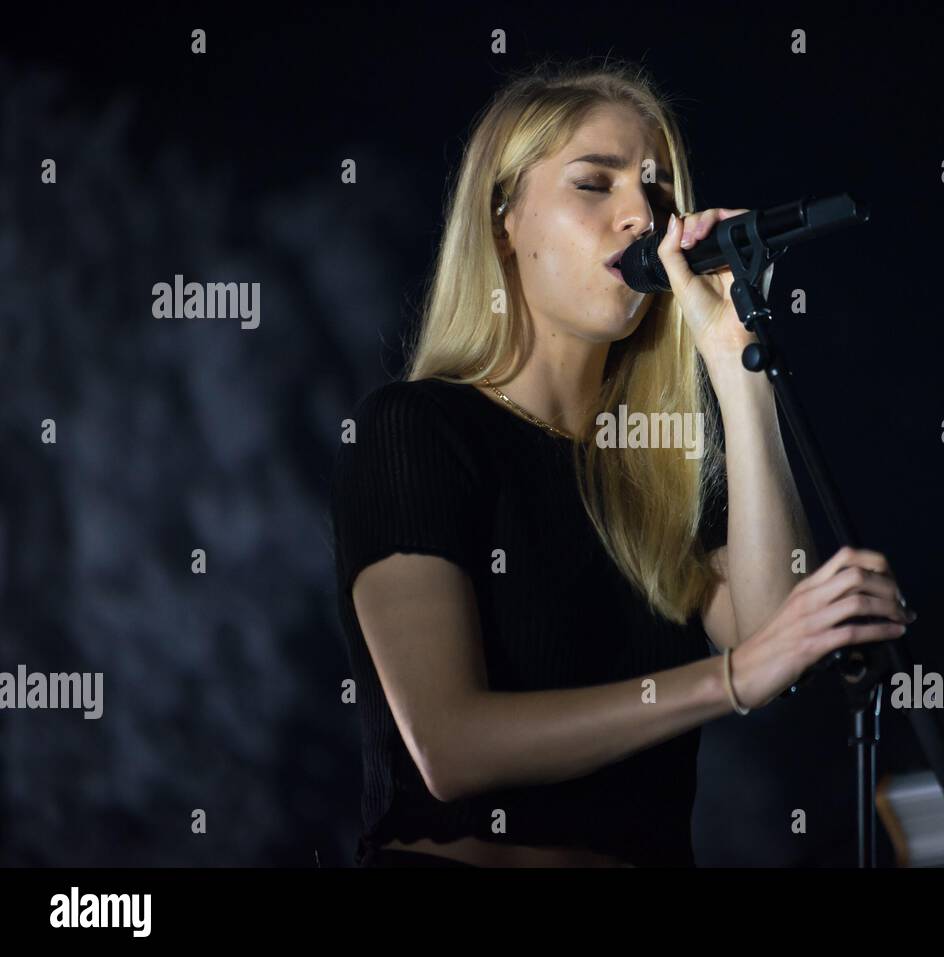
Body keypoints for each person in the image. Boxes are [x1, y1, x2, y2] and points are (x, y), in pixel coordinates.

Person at [330, 57, 914, 868]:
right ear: (505, 220)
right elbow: (451, 744)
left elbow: (779, 641)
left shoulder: (661, 467)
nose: (643, 215)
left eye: (658, 188)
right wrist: (728, 680)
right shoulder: (417, 430)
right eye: (595, 184)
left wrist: (732, 356)